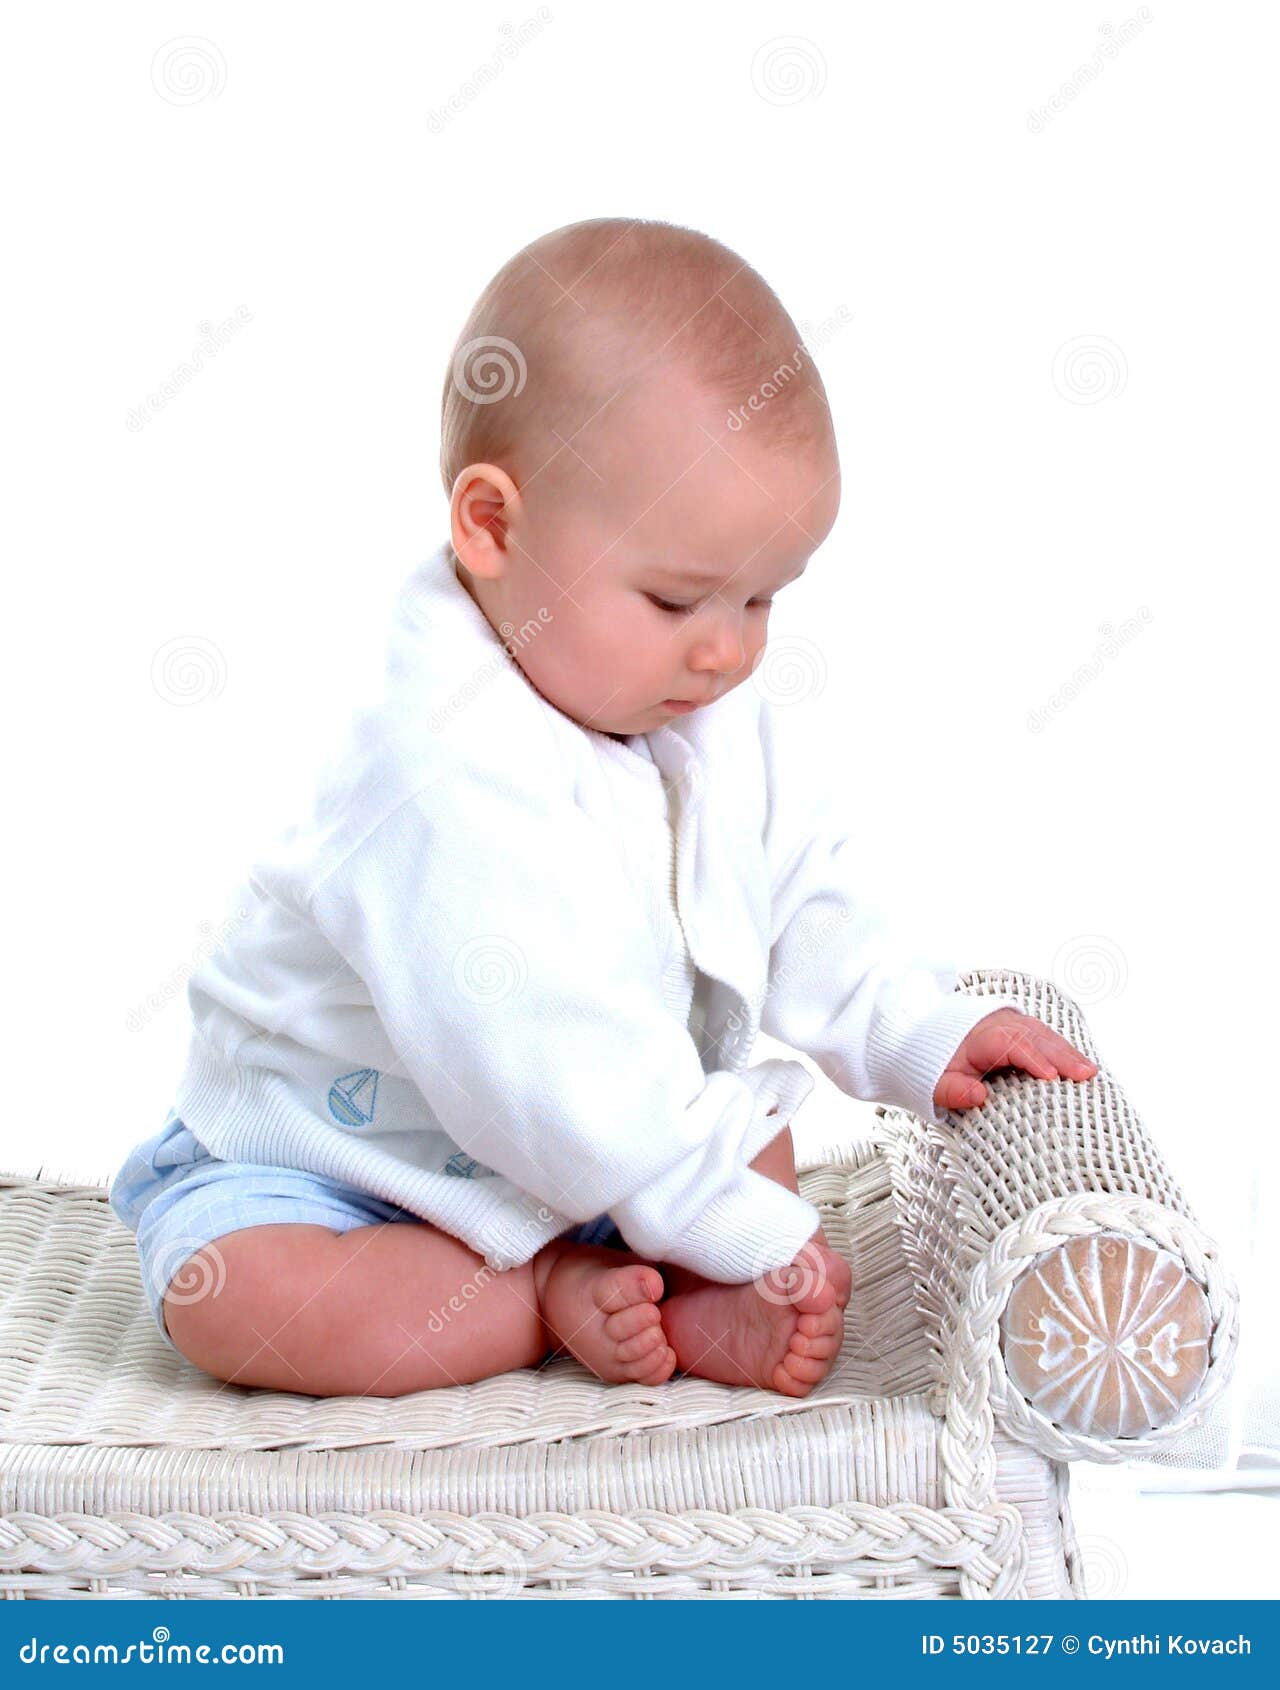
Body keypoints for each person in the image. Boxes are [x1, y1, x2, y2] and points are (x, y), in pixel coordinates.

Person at [109, 218, 1096, 1400]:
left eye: (762, 597)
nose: (727, 649)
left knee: (743, 1137)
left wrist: (909, 1023)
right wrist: (725, 1223)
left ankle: (628, 1256)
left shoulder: (685, 696)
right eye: (678, 597)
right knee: (250, 1306)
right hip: (324, 1162)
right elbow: (535, 1047)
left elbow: (804, 880)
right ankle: (539, 1301)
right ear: (491, 527)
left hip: (582, 1138)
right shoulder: (433, 760)